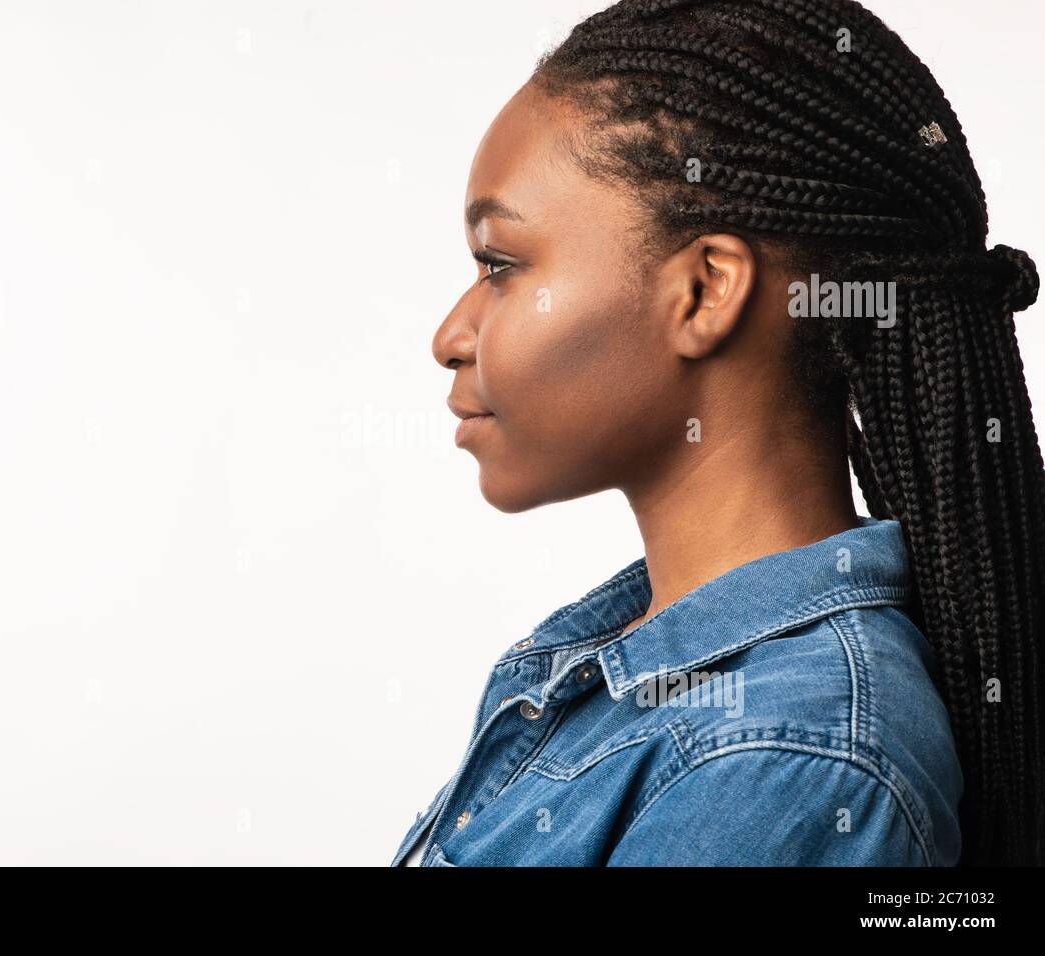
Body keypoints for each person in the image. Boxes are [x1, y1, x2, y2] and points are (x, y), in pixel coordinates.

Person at [392, 0, 1043, 867]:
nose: (452, 336)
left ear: (704, 291)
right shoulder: (630, 672)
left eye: (501, 267)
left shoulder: (786, 762)